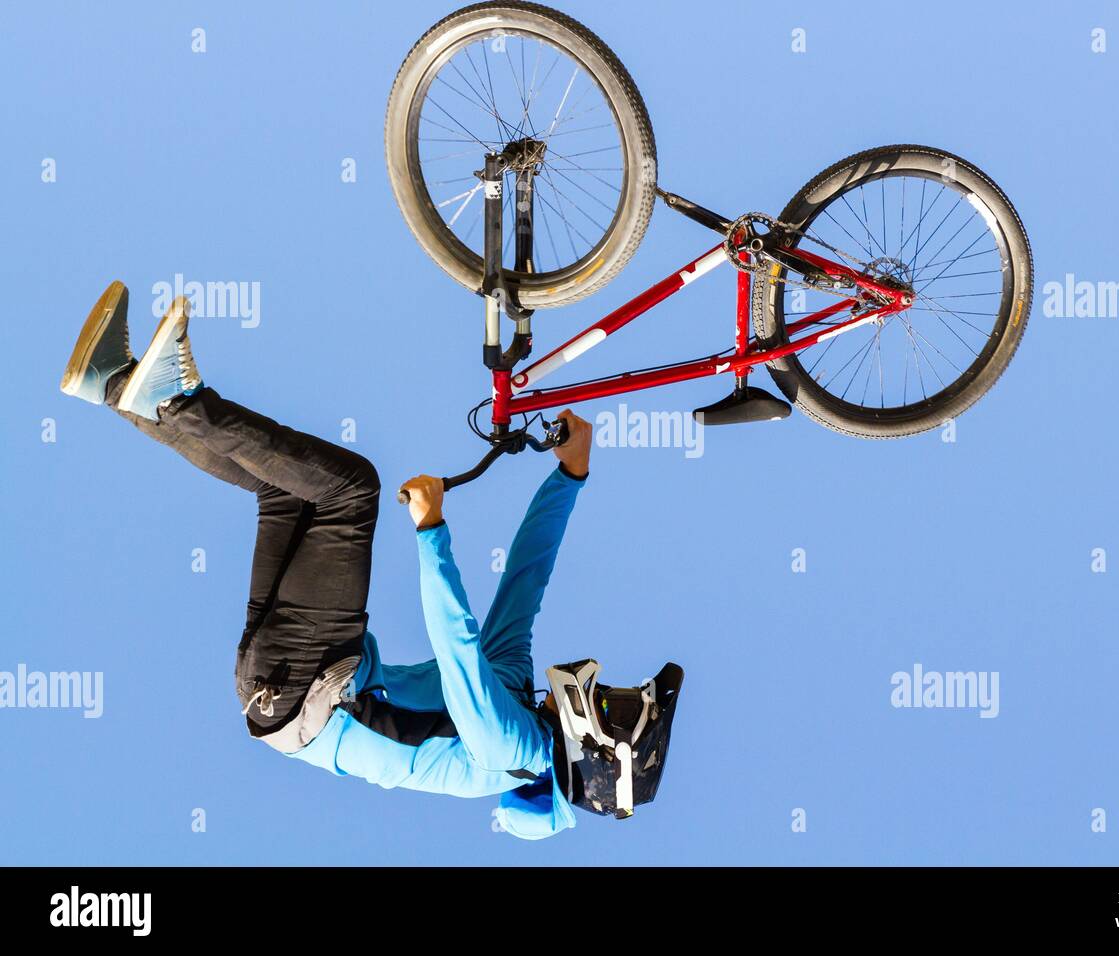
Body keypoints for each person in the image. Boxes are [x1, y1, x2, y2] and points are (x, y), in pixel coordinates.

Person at [60, 280, 683, 840]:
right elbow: (528, 577)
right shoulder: (519, 694)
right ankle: (113, 384)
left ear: (597, 753)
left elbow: (460, 654)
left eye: (615, 708)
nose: (604, 690)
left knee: (350, 491)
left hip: (311, 688)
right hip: (291, 688)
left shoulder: (514, 752)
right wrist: (570, 477)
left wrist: (432, 530)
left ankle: (178, 399)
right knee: (283, 489)